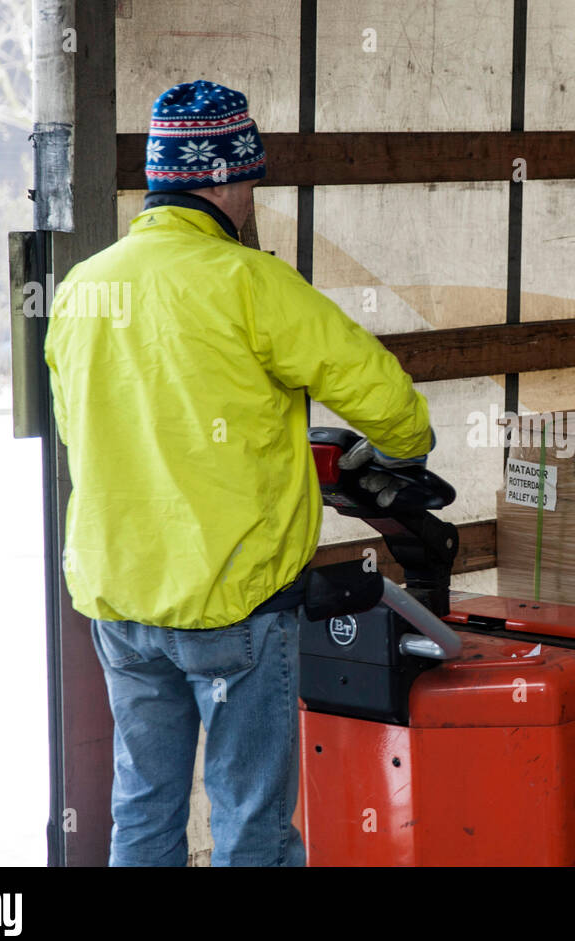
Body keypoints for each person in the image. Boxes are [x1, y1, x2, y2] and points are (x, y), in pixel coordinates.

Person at [44, 80, 434, 866]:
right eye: (250, 176)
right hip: (235, 605)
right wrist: (402, 451)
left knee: (144, 808)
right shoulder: (248, 283)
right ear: (221, 176)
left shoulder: (85, 287)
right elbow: (383, 393)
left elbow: (84, 425)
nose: (253, 193)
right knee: (251, 820)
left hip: (120, 599)